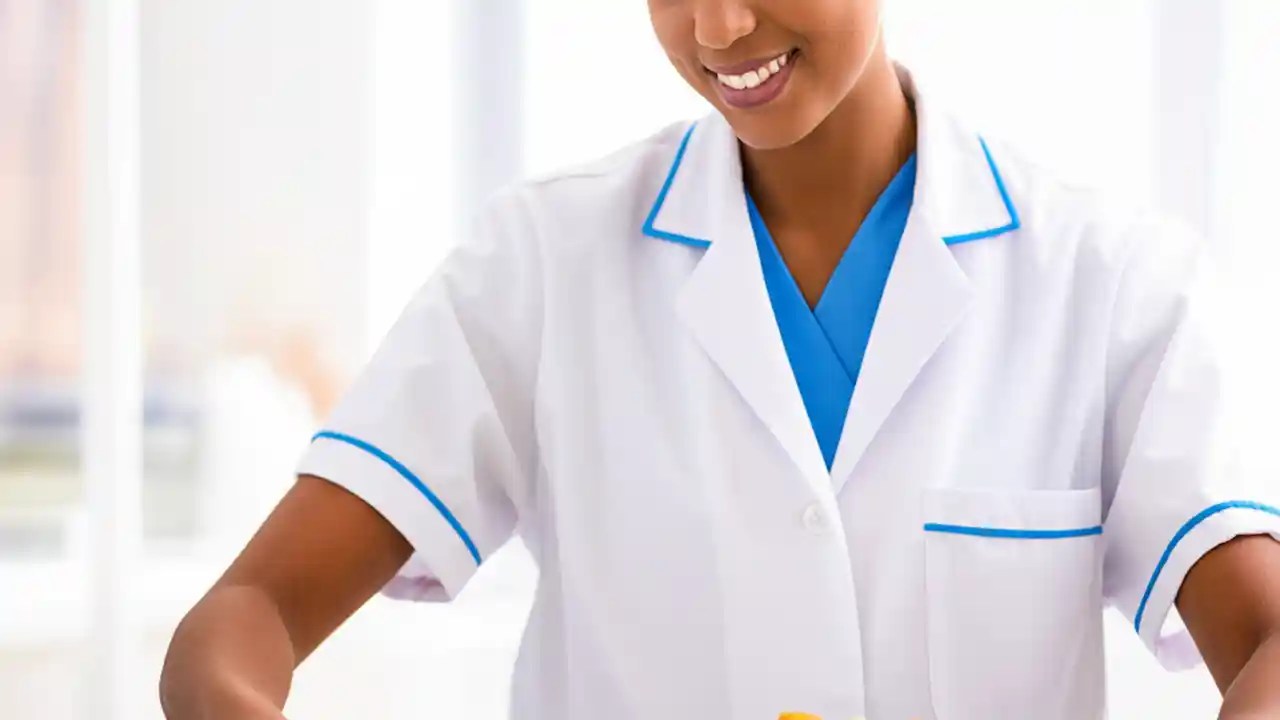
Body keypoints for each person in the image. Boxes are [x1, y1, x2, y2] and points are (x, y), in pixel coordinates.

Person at [160, 2, 1280, 718]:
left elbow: (1266, 641)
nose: (718, 25)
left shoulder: (1109, 284)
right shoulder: (544, 266)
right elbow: (247, 613)